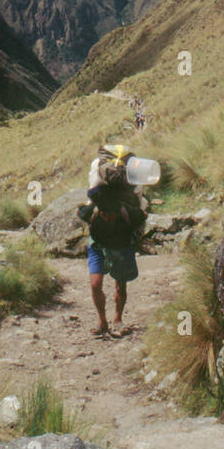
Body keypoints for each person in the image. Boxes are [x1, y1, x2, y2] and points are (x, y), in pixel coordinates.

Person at [78, 145, 146, 338]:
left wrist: (128, 213)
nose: (107, 217)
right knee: (95, 284)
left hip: (122, 244)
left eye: (110, 215)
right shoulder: (93, 212)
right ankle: (102, 321)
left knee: (120, 285)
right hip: (98, 244)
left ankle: (117, 319)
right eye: (104, 215)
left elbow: (143, 214)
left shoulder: (129, 215)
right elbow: (81, 211)